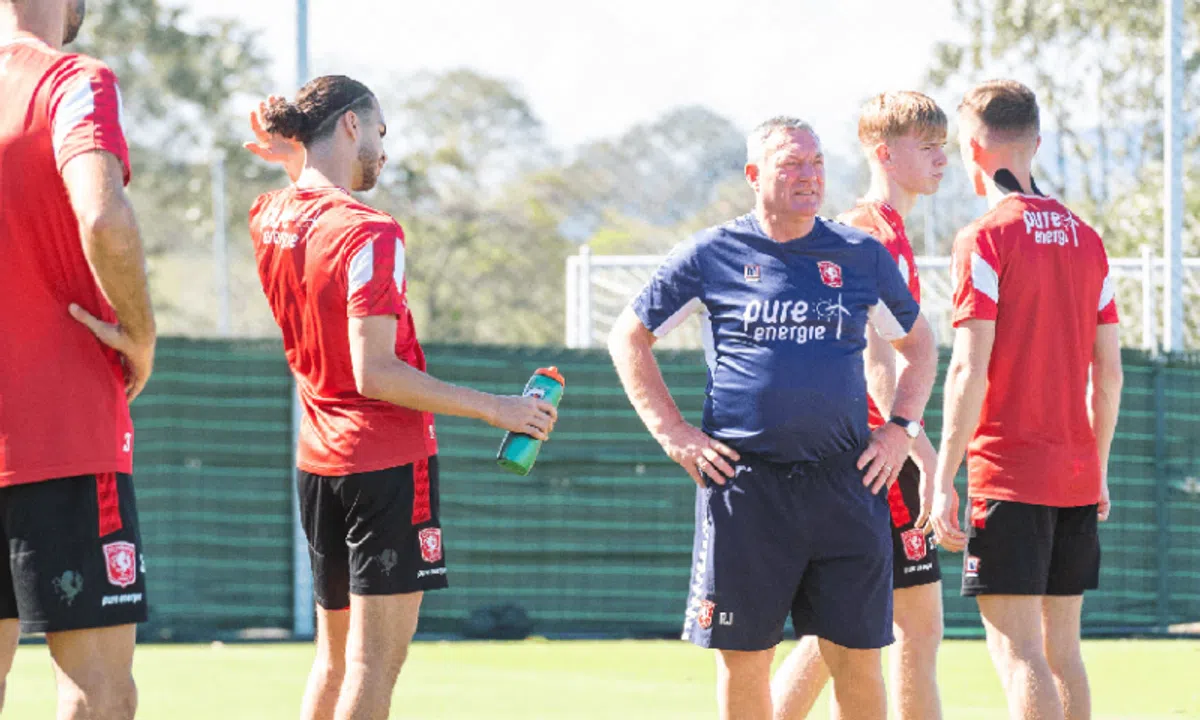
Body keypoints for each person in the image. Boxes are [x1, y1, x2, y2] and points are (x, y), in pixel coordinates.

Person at [242, 77, 557, 720]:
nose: (384, 152)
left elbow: (306, 202)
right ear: (350, 125)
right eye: (379, 131)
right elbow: (376, 373)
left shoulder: (267, 213)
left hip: (318, 463)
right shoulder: (371, 231)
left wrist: (296, 161)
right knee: (371, 667)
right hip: (384, 465)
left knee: (333, 662)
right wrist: (496, 407)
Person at [607, 116, 938, 720]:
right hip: (746, 489)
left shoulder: (859, 254)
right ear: (754, 175)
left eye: (816, 163)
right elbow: (628, 337)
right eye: (791, 164)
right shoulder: (711, 254)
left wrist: (900, 431)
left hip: (845, 486)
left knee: (858, 660)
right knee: (744, 660)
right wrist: (675, 434)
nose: (809, 176)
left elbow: (920, 346)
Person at [928, 80, 1123, 720]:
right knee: (1063, 654)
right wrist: (1097, 467)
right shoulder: (1088, 239)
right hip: (1075, 476)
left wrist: (943, 477)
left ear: (971, 149)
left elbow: (969, 368)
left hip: (1009, 476)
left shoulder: (985, 237)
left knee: (1019, 654)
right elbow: (1109, 374)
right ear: (1035, 144)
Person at [0, 0, 156, 717]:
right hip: (60, 435)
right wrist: (139, 333)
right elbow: (103, 216)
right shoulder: (71, 79)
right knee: (99, 692)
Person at [772, 91, 949, 720]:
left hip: (865, 452)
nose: (941, 159)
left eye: (944, 146)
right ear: (884, 153)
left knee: (844, 632)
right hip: (877, 454)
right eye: (927, 146)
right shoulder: (868, 231)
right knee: (912, 631)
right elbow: (877, 366)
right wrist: (926, 456)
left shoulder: (884, 230)